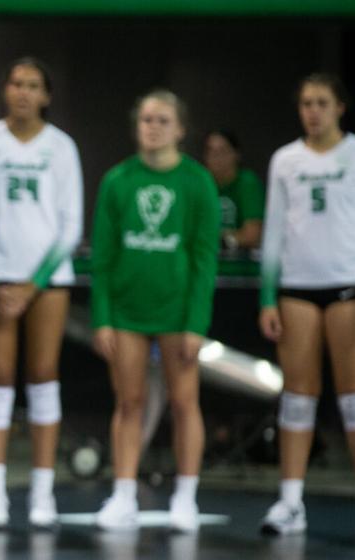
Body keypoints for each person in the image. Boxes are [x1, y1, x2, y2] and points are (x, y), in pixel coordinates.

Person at [257, 74, 355, 538]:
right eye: (306, 104)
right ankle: (291, 503)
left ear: (340, 107)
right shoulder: (285, 160)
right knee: (297, 397)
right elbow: (273, 231)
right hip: (297, 287)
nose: (313, 112)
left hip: (349, 287)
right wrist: (267, 297)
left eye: (321, 103)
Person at [90, 89, 219, 532]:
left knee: (184, 402)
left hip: (178, 312)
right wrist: (102, 317)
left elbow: (205, 258)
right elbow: (102, 257)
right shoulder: (117, 180)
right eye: (147, 119)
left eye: (163, 120)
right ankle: (123, 493)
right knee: (129, 401)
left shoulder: (198, 182)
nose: (153, 127)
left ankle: (186, 496)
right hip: (127, 311)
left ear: (180, 129)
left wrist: (196, 323)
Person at [0, 57, 83, 529]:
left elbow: (71, 224)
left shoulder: (62, 147)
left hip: (47, 280)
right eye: (16, 83)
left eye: (34, 85)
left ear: (46, 95)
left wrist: (34, 284)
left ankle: (42, 492)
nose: (23, 92)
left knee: (43, 375)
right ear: (5, 89)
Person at [202, 130, 263, 253]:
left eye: (222, 151)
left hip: (241, 262)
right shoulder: (200, 183)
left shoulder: (247, 182)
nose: (216, 157)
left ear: (236, 154)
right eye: (211, 151)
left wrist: (222, 240)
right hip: (207, 261)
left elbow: (253, 235)